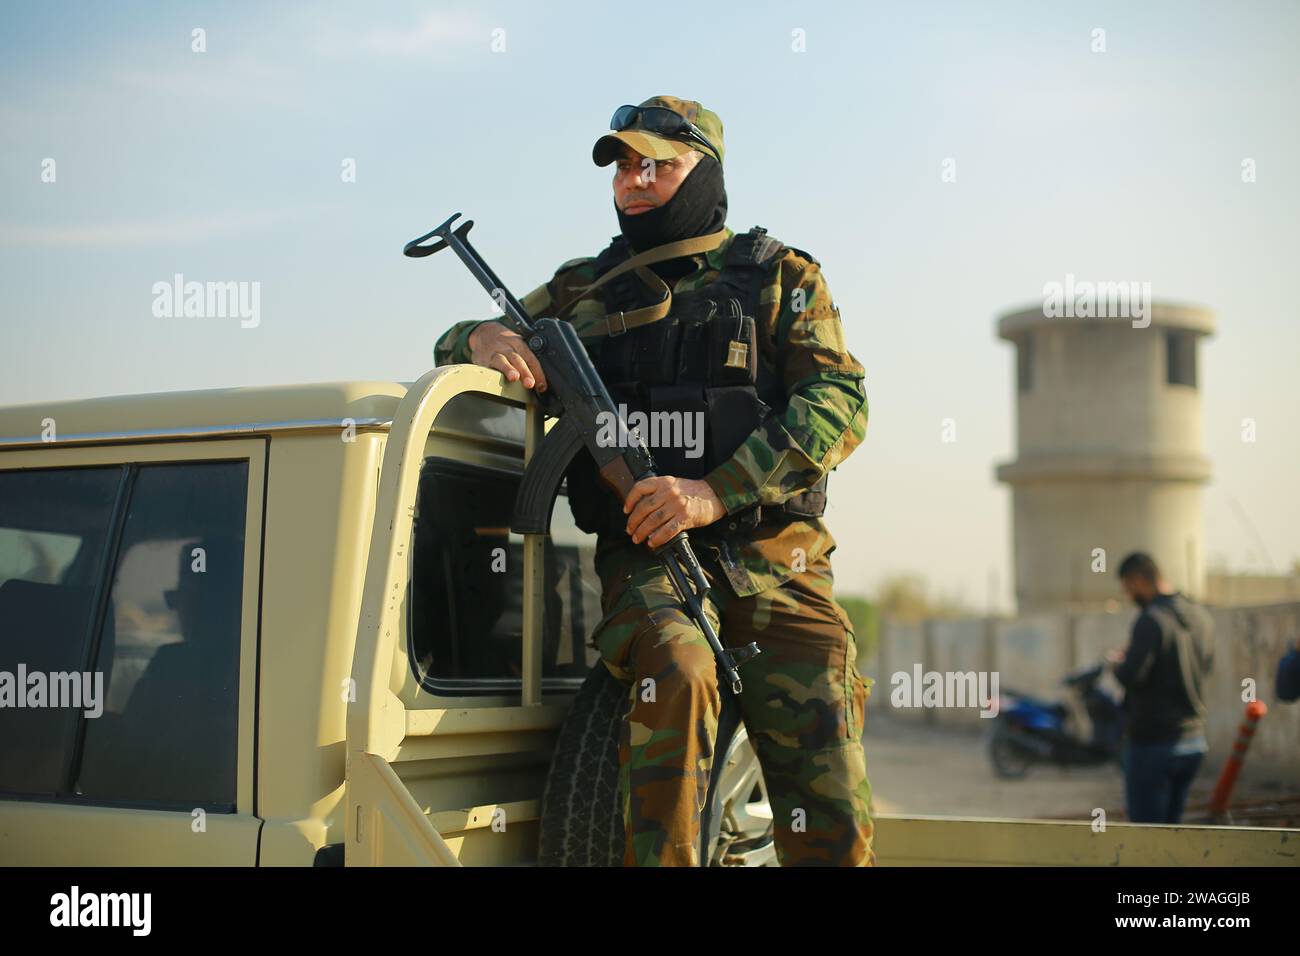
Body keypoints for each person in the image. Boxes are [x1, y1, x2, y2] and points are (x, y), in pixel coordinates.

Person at [434, 96, 873, 866]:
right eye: (623, 168)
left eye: (655, 166)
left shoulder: (780, 277)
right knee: (679, 669)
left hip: (775, 557)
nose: (633, 182)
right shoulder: (584, 289)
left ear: (704, 172)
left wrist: (714, 491)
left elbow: (839, 401)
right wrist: (478, 336)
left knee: (822, 700)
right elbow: (453, 343)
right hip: (646, 557)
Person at [1106, 552, 1214, 824]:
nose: (1129, 596)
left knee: (1147, 836)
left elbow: (1130, 676)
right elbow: (1206, 667)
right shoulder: (1200, 616)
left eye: (1128, 588)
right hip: (1193, 741)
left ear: (1139, 580)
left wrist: (1116, 664)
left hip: (1153, 744)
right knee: (1171, 833)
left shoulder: (1151, 620)